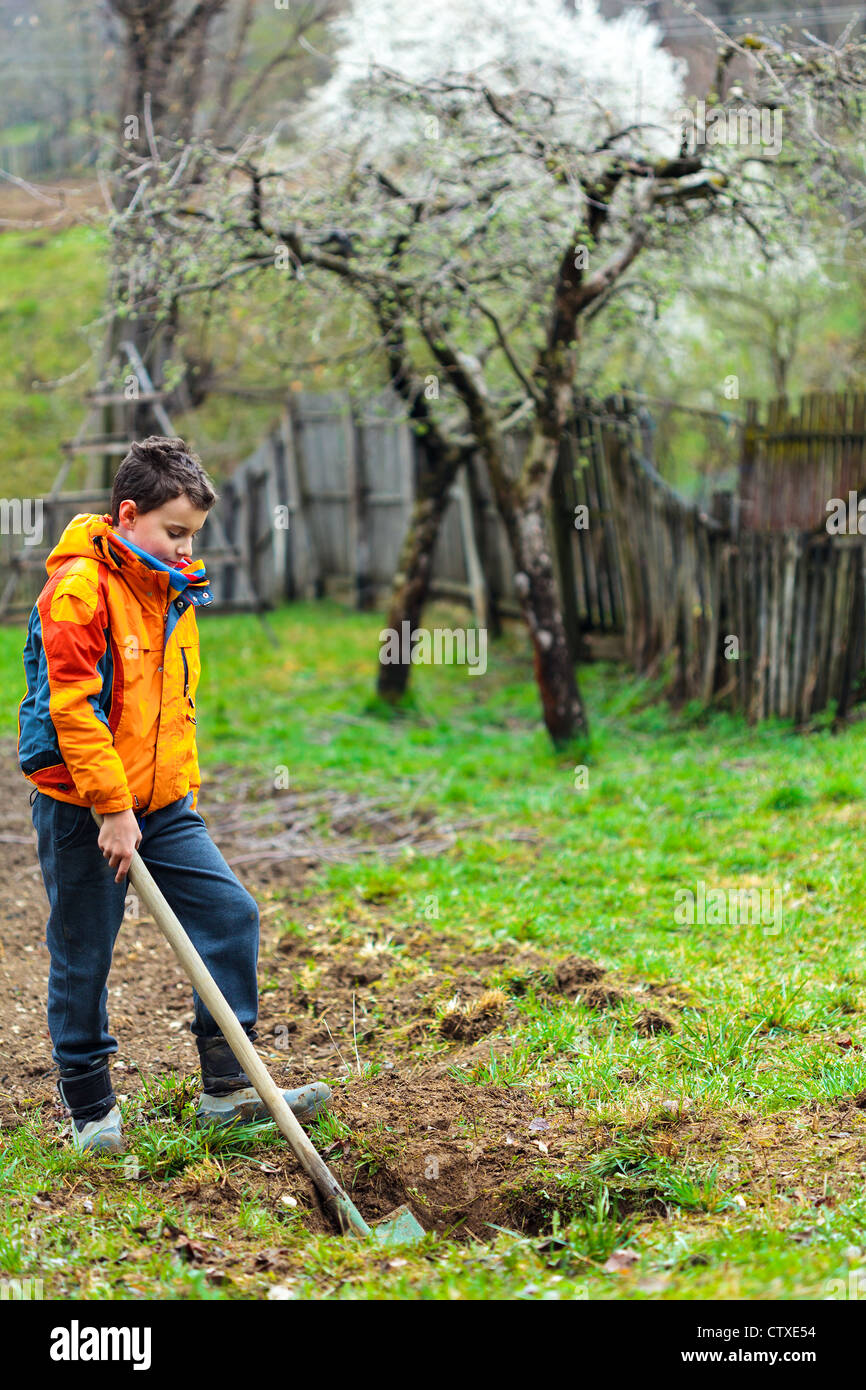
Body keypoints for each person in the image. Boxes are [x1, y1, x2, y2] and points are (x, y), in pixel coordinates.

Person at [17, 436, 331, 1154]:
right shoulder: (79, 589)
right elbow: (73, 709)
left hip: (161, 806)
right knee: (84, 950)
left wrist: (176, 793)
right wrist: (111, 809)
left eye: (194, 535)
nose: (189, 550)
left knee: (230, 913)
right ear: (129, 515)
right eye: (176, 532)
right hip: (82, 805)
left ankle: (227, 1088)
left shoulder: (171, 587)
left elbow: (173, 704)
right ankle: (92, 1112)